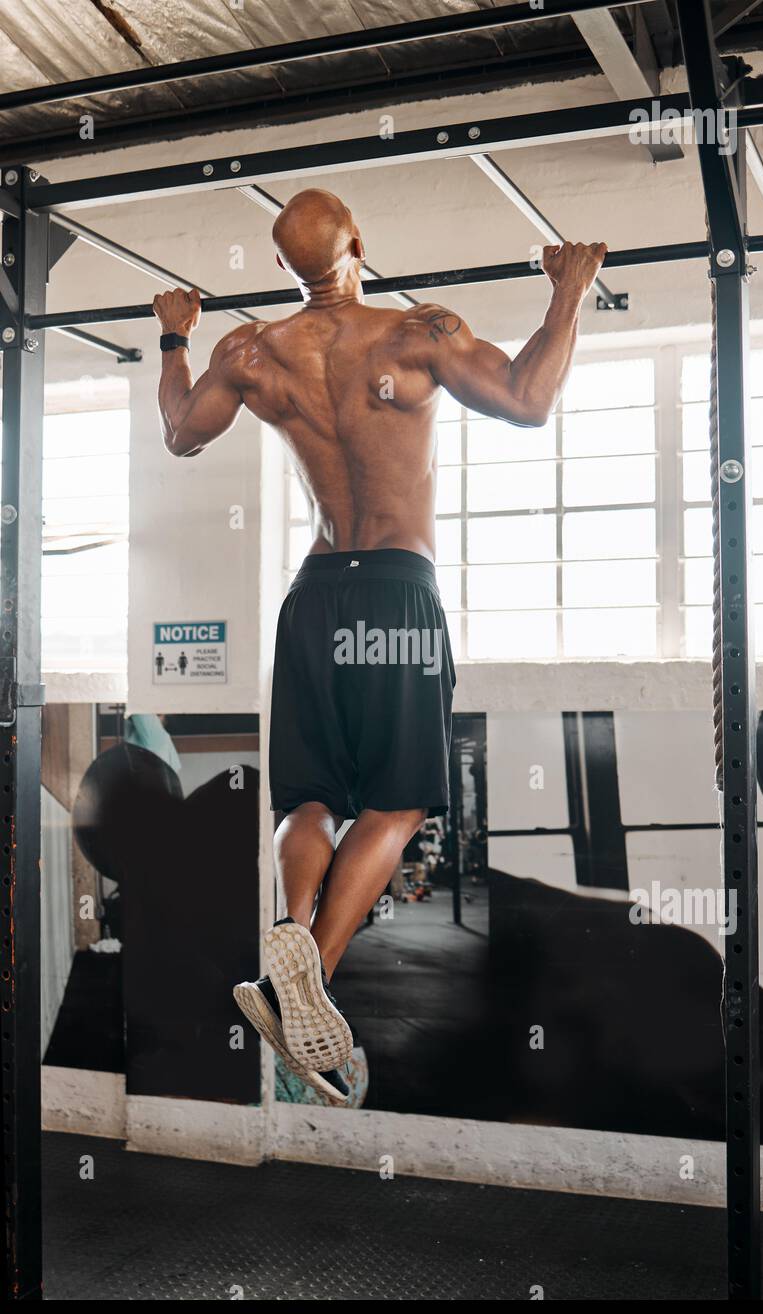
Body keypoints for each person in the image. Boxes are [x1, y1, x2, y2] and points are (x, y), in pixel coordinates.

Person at [153, 188, 606, 1103]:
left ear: (283, 269)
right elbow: (527, 400)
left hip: (315, 595)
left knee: (310, 798)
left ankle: (288, 926)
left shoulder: (249, 352)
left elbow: (180, 435)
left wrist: (174, 337)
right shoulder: (416, 333)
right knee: (396, 807)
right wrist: (569, 291)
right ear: (359, 241)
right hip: (396, 590)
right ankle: (305, 974)